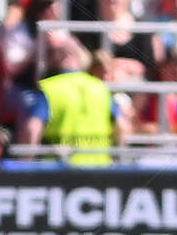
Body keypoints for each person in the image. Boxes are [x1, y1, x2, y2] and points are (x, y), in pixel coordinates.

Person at [20, 36, 124, 166]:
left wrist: (26, 163)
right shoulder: (100, 87)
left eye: (52, 54)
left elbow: (33, 128)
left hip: (59, 171)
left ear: (66, 55)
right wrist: (116, 158)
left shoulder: (48, 88)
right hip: (100, 169)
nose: (49, 59)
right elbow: (122, 127)